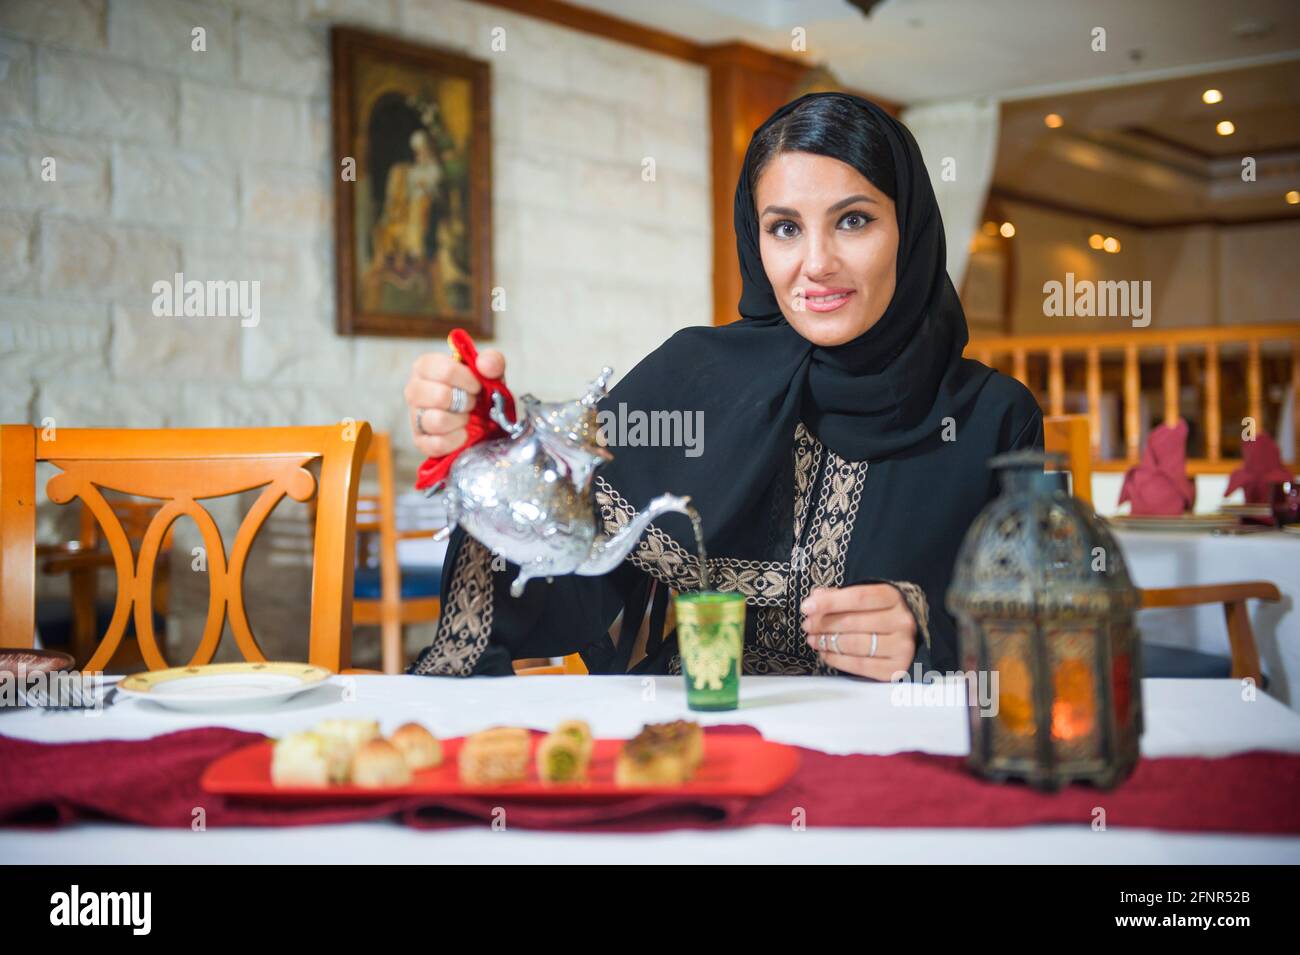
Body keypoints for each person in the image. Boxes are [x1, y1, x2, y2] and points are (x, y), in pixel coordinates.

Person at [403, 92, 1042, 679]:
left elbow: (1045, 637)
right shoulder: (691, 379)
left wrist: (931, 636)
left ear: (910, 231)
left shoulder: (993, 419)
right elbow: (554, 598)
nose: (816, 263)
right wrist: (500, 461)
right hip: (695, 740)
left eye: (853, 221)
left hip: (890, 769)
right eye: (785, 228)